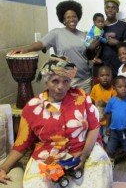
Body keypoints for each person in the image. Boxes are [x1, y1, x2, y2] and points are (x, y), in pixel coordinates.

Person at [0, 55, 112, 187]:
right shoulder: (32, 107)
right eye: (55, 81)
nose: (61, 87)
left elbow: (94, 127)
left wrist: (85, 154)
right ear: (46, 81)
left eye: (66, 81)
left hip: (83, 149)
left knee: (98, 178)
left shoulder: (82, 97)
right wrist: (4, 168)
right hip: (47, 156)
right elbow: (22, 144)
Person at [10, 0, 92, 93]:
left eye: (74, 16)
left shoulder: (84, 35)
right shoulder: (56, 33)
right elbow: (41, 44)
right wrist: (26, 49)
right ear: (63, 20)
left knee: (84, 105)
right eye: (68, 17)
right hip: (66, 80)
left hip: (85, 80)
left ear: (78, 18)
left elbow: (89, 54)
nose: (72, 19)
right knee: (67, 106)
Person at [105, 76, 126, 171]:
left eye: (125, 86)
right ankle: (111, 159)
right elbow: (108, 114)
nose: (123, 89)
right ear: (115, 88)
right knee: (111, 147)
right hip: (113, 130)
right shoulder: (112, 101)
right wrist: (107, 127)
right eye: (120, 87)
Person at [100, 0, 126, 77]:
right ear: (104, 9)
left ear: (117, 10)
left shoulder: (123, 25)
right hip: (101, 69)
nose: (110, 10)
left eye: (113, 8)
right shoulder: (98, 26)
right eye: (107, 7)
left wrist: (117, 43)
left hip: (119, 68)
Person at [90, 66, 116, 142]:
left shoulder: (113, 90)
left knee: (107, 139)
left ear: (111, 77)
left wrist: (105, 103)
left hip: (108, 121)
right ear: (98, 77)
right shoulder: (95, 88)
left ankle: (108, 151)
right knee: (97, 138)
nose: (105, 78)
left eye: (107, 75)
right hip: (97, 120)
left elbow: (114, 104)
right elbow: (91, 100)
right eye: (102, 75)